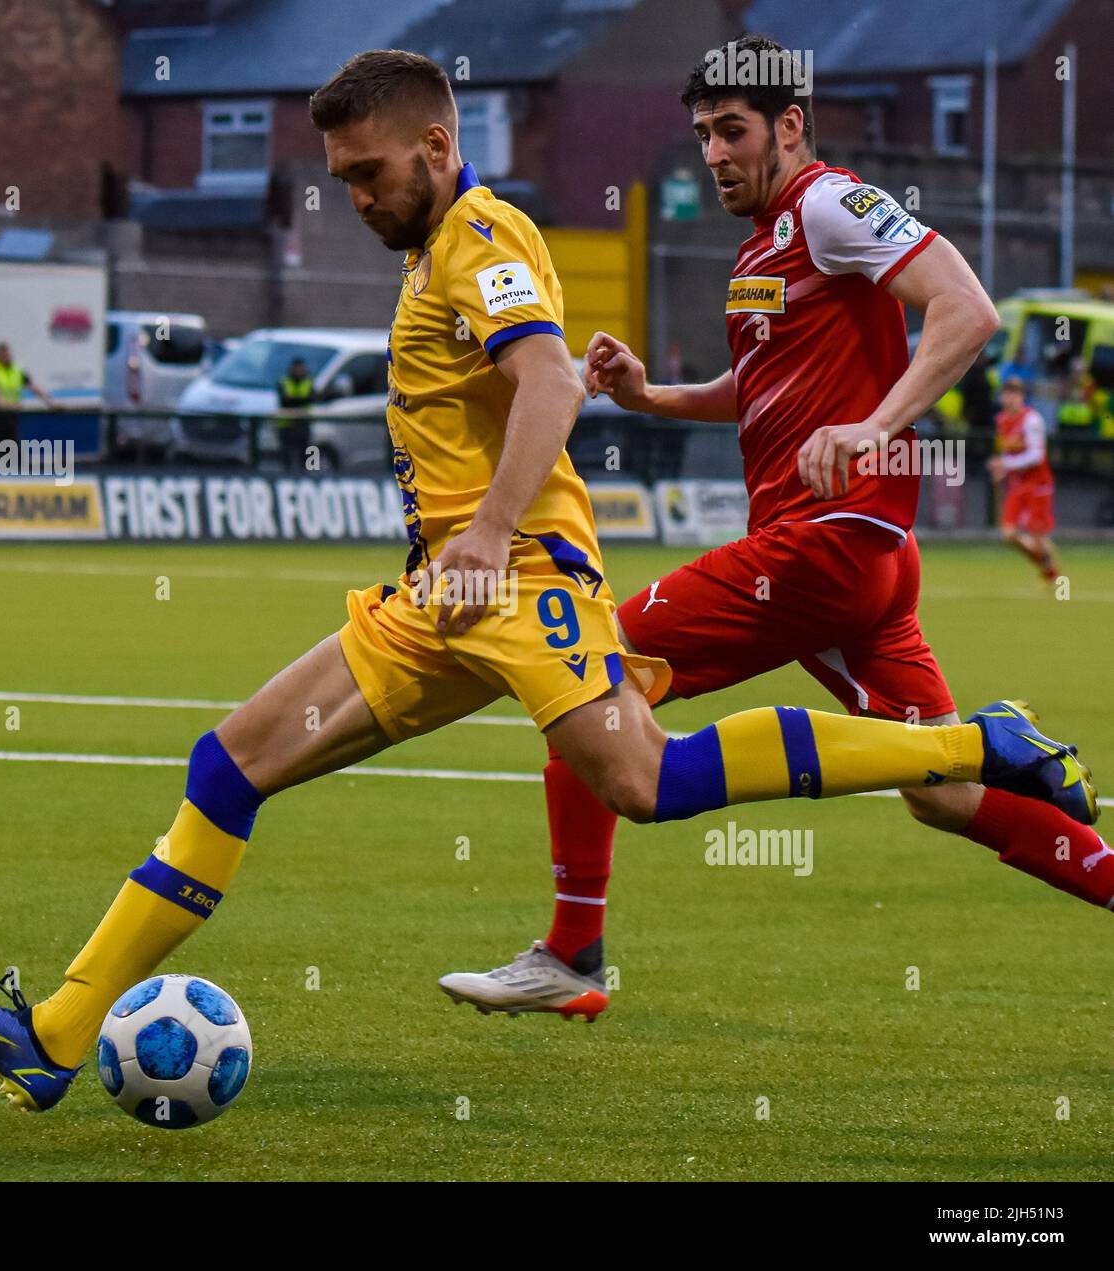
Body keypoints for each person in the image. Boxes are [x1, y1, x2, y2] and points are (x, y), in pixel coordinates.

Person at [0, 49, 1095, 1110]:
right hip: (436, 599)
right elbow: (720, 381)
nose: (358, 196)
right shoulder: (476, 246)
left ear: (436, 144)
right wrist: (636, 412)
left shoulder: (488, 235)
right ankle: (57, 1034)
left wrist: (487, 533)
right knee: (231, 764)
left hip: (524, 580)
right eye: (340, 181)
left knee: (645, 777)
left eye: (370, 172)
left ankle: (952, 750)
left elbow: (542, 380)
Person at [441, 33, 1110, 1019]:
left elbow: (965, 310)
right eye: (703, 133)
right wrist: (650, 395)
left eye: (732, 130)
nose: (713, 151)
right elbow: (758, 393)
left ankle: (573, 952)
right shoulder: (764, 247)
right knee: (938, 790)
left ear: (790, 127)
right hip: (863, 565)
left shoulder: (829, 204)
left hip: (825, 545)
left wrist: (875, 423)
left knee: (586, 665)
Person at [990, 376, 1060, 582]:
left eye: (1014, 394)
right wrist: (1002, 469)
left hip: (1038, 485)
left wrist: (1005, 465)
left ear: (1021, 397)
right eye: (1006, 393)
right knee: (1008, 533)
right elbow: (1009, 453)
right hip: (1017, 485)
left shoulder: (1032, 420)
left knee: (1039, 536)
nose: (1009, 398)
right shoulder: (1002, 420)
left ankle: (1052, 575)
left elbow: (1036, 456)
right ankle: (1045, 564)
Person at [0, 342, 56, 446]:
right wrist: (4, 404)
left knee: (13, 452)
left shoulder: (17, 370)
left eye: (7, 353)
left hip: (11, 418)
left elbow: (34, 387)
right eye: (3, 353)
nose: (6, 356)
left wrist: (51, 402)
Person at [276, 356, 315, 471]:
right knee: (286, 455)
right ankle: (286, 475)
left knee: (308, 453)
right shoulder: (284, 381)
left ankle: (308, 475)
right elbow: (284, 402)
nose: (299, 370)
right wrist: (301, 400)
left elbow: (312, 398)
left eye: (301, 367)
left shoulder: (309, 381)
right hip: (286, 425)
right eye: (297, 367)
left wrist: (293, 399)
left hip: (303, 424)